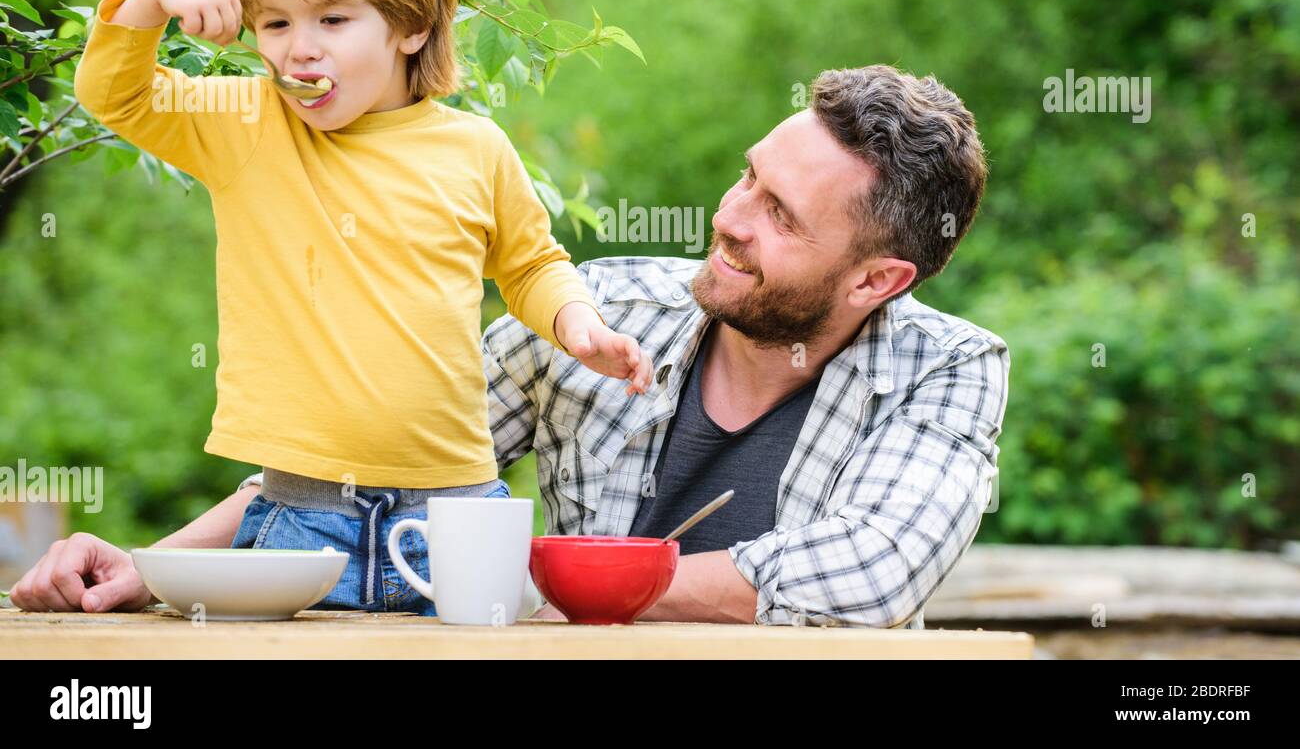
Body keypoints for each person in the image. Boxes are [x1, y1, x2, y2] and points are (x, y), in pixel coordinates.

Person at [15, 65, 1008, 630]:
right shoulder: (604, 308)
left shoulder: (947, 370)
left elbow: (870, 575)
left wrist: (576, 580)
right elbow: (366, 453)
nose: (731, 217)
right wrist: (153, 570)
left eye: (780, 214)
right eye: (747, 178)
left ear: (875, 281)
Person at [48, 0, 653, 617]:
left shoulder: (476, 148)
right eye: (275, 23)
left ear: (412, 26)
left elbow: (530, 264)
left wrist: (578, 325)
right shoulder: (245, 126)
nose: (300, 48)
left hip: (455, 516)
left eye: (332, 20)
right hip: (298, 520)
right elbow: (115, 93)